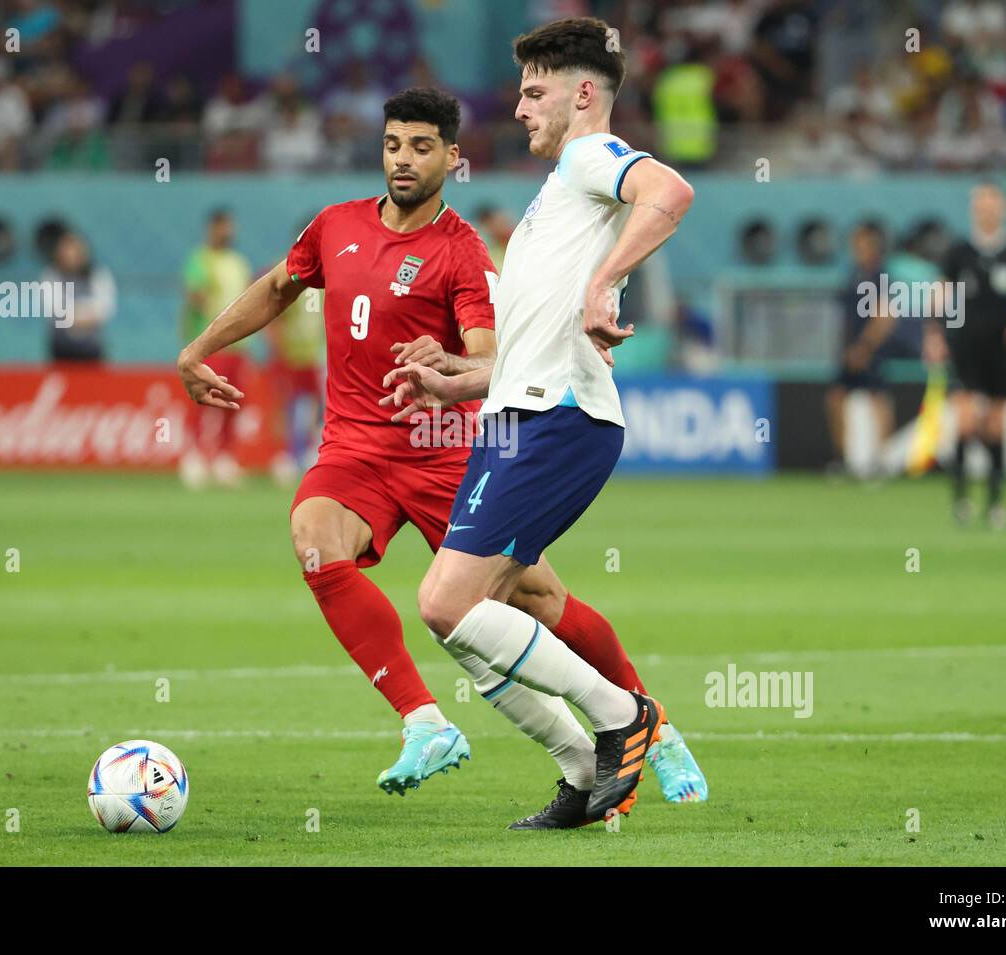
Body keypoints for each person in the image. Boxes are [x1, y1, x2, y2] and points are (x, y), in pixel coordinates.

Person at [178, 85, 706, 828]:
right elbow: (276, 288)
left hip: (444, 454)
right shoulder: (335, 226)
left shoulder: (462, 250)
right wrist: (200, 350)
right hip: (355, 448)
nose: (403, 158)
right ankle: (425, 722)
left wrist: (450, 361)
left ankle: (658, 732)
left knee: (536, 604)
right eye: (394, 144)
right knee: (313, 540)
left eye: (422, 146)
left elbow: (491, 354)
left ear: (453, 159)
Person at [382, 18, 700, 826]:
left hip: (553, 421)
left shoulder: (592, 156)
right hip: (518, 414)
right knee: (471, 618)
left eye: (535, 92)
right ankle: (581, 773)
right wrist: (461, 382)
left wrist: (607, 282)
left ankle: (625, 720)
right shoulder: (561, 191)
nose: (519, 108)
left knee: (446, 603)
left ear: (583, 94)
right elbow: (533, 344)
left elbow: (672, 193)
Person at [923, 182, 1006, 528]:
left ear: (1003, 209)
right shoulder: (958, 252)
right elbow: (939, 293)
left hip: (1000, 349)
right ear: (973, 210)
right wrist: (934, 334)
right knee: (964, 422)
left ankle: (995, 505)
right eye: (981, 204)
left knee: (995, 426)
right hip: (963, 346)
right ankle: (961, 501)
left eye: (992, 204)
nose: (987, 210)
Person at [179, 208, 252, 488]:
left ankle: (225, 458)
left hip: (239, 345)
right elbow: (194, 296)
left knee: (233, 401)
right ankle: (195, 456)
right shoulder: (199, 260)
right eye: (223, 227)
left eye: (230, 227)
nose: (228, 232)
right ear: (212, 228)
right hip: (210, 345)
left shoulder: (238, 262)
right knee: (202, 399)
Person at [825, 222, 896, 477]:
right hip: (850, 349)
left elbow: (885, 316)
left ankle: (881, 461)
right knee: (836, 398)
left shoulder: (880, 275)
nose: (857, 248)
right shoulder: (854, 273)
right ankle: (841, 459)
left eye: (862, 242)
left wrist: (865, 347)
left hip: (870, 350)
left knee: (878, 400)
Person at [44, 231, 115, 363]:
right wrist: (79, 315)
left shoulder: (98, 274)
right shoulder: (51, 275)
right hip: (61, 348)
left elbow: (104, 308)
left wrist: (78, 316)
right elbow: (53, 309)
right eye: (66, 251)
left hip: (92, 348)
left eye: (74, 251)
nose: (71, 256)